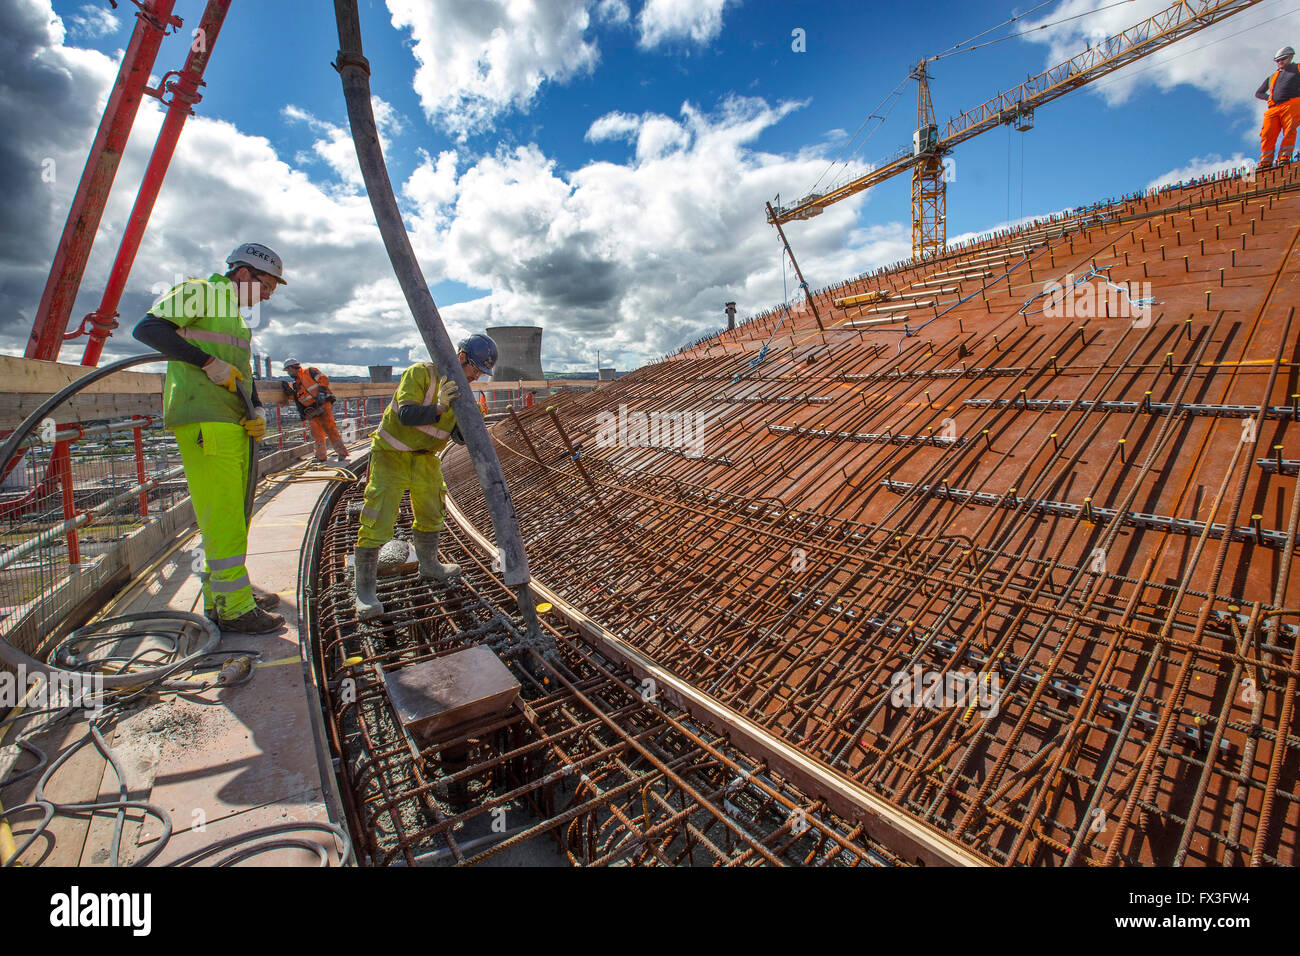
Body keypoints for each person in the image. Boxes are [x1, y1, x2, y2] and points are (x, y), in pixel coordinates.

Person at [132, 242, 287, 633]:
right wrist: (205, 362)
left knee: (230, 514)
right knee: (224, 516)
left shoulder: (232, 316)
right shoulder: (200, 292)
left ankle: (224, 595)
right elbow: (148, 328)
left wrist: (256, 408)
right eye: (266, 284)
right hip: (206, 419)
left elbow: (239, 371)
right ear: (243, 274)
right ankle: (234, 609)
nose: (268, 294)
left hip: (229, 419)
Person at [353, 333, 498, 619]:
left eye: (482, 373)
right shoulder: (421, 374)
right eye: (475, 369)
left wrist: (469, 427)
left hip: (426, 460)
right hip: (391, 456)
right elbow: (406, 415)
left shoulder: (463, 392)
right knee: (378, 517)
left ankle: (429, 564)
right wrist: (441, 407)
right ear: (461, 358)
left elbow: (455, 436)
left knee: (433, 512)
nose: (476, 377)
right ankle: (365, 591)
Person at [281, 358, 350, 462]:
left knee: (330, 429)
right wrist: (289, 393)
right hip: (312, 410)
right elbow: (298, 398)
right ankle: (321, 456)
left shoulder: (309, 372)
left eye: (288, 370)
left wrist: (321, 392)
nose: (288, 373)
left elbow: (324, 379)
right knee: (316, 433)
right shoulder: (296, 385)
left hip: (323, 404)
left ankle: (342, 453)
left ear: (292, 367)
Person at [1257, 45, 1300, 169]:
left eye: (1283, 59)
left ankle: (1284, 158)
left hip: (1292, 104)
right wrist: (1269, 98)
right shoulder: (1272, 77)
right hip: (1273, 108)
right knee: (1267, 134)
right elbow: (1258, 93)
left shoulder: (1298, 68)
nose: (1280, 62)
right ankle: (1265, 161)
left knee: (1289, 131)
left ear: (1291, 57)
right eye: (1277, 60)